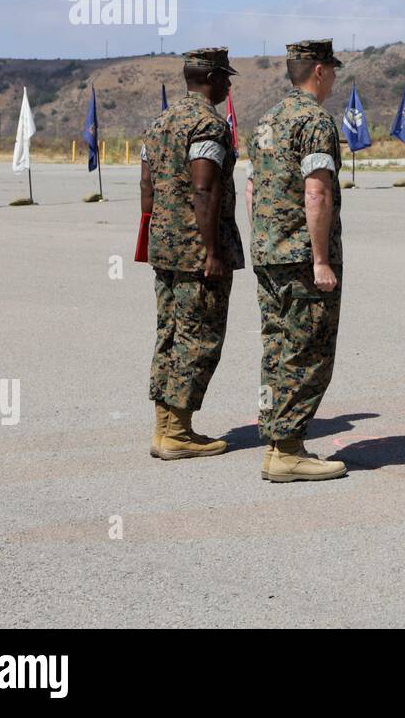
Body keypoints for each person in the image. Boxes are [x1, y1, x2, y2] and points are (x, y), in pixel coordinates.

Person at [249, 38, 348, 482]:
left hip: (270, 254)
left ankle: (277, 444)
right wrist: (321, 260)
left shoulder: (268, 120)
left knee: (276, 348)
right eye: (333, 71)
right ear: (320, 71)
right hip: (303, 259)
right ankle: (288, 449)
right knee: (307, 351)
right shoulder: (315, 121)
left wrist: (264, 242)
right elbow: (317, 191)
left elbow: (253, 190)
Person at [141, 47, 243, 459]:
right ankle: (178, 433)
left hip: (164, 246)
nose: (230, 85)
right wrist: (212, 250)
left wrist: (153, 231)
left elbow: (146, 186)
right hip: (196, 251)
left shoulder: (160, 120)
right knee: (197, 336)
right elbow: (203, 188)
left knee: (169, 332)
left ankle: (165, 428)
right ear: (212, 78)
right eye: (226, 77)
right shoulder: (207, 125)